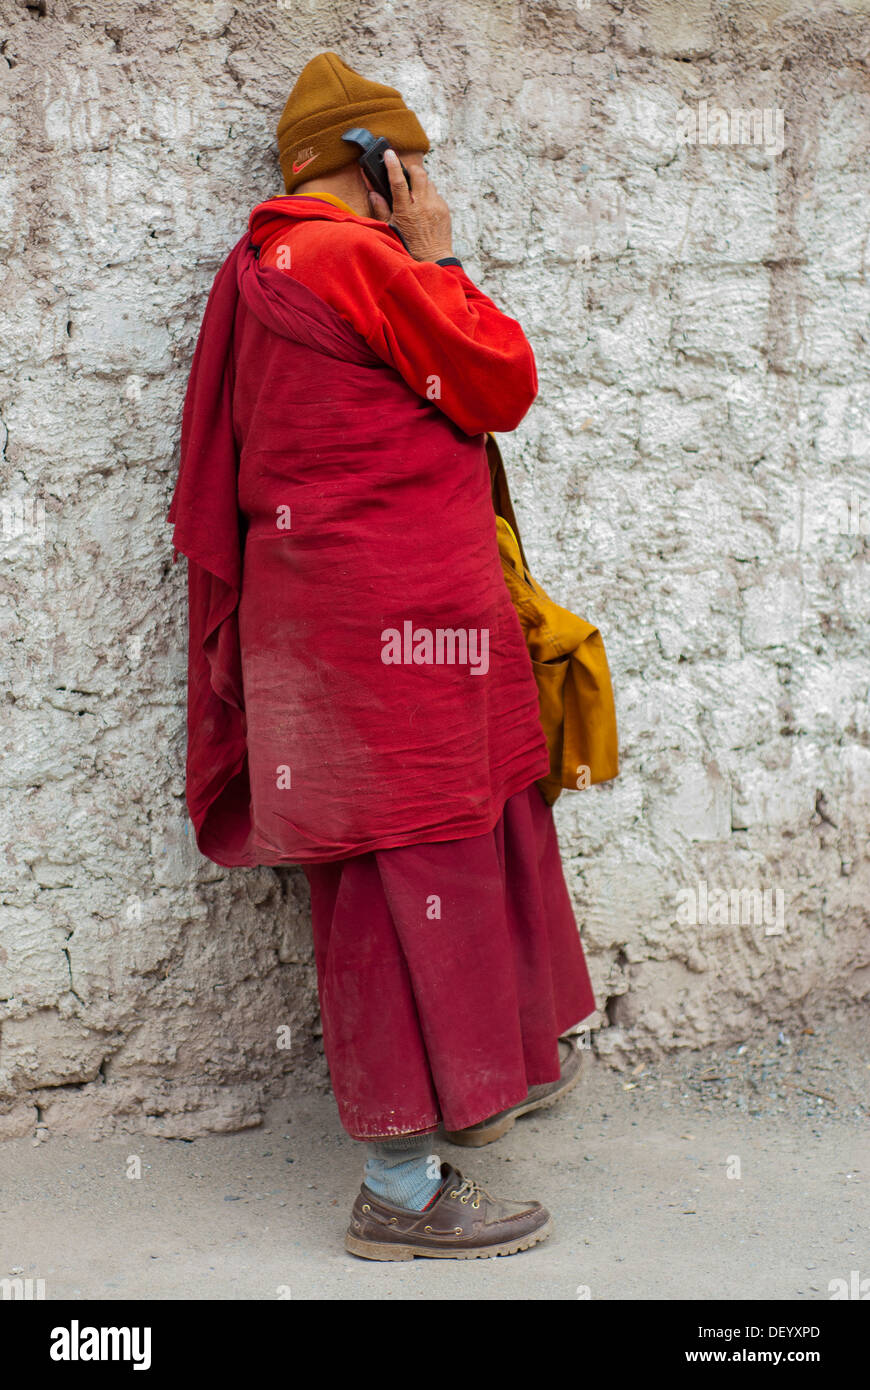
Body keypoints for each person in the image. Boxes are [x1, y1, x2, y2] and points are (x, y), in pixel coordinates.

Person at [168, 51, 597, 1261]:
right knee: (414, 878)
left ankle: (482, 1089)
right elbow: (498, 380)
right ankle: (399, 1190)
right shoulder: (358, 256)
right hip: (390, 640)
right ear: (379, 165)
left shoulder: (258, 265)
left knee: (410, 859)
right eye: (410, 165)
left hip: (328, 636)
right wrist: (442, 251)